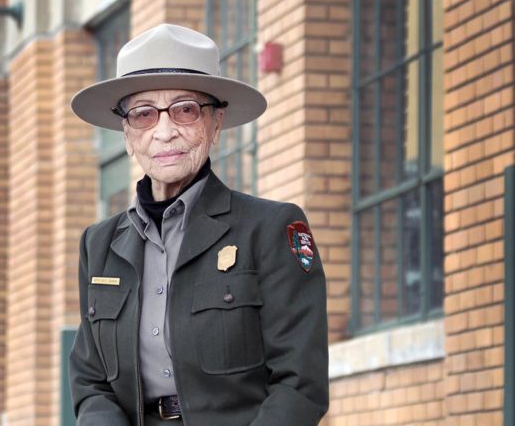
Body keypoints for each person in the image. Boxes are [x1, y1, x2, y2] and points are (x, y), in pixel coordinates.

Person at [69, 23, 328, 426]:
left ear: (216, 123)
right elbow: (91, 384)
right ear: (127, 134)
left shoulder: (272, 227)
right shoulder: (98, 244)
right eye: (143, 114)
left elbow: (301, 384)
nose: (165, 131)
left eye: (186, 109)